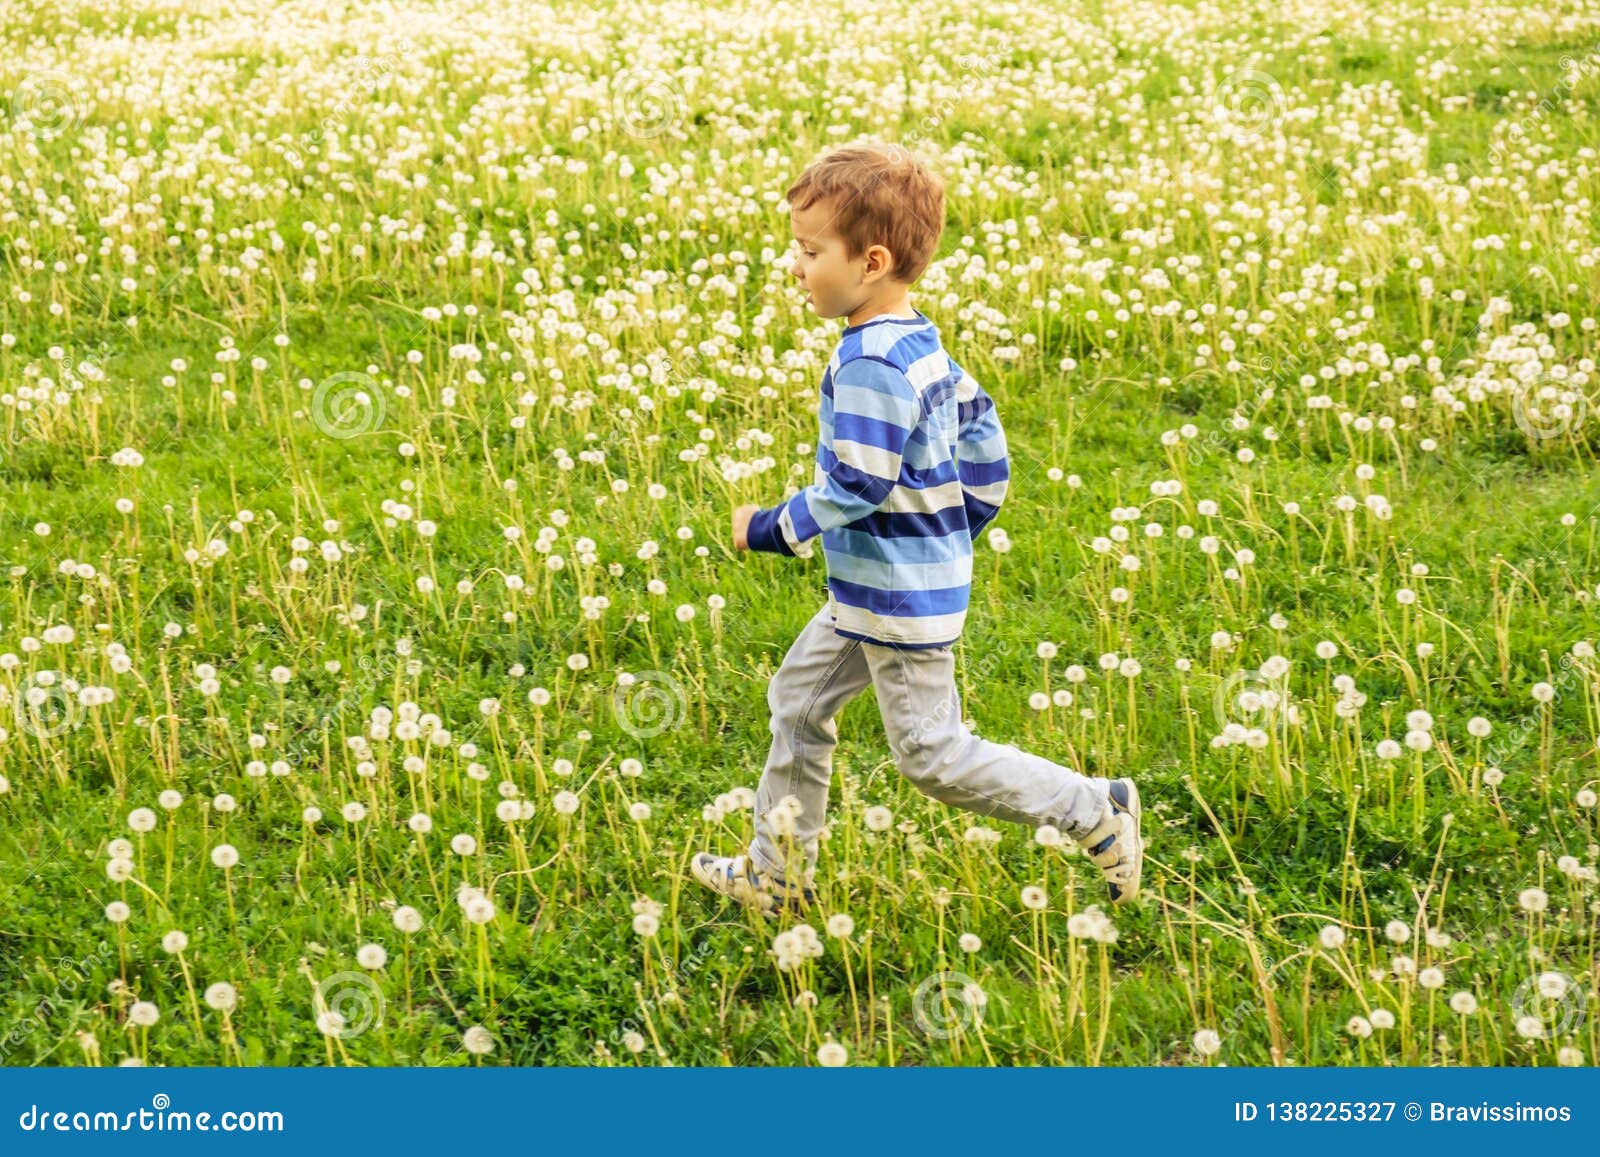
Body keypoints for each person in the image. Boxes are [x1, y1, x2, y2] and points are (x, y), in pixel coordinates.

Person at [690, 143, 1142, 919]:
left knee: (932, 754)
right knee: (798, 704)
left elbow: (857, 484)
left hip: (896, 598)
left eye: (808, 251)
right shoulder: (916, 341)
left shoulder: (870, 363)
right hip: (881, 584)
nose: (794, 267)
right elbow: (985, 439)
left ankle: (1095, 809)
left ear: (869, 261)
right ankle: (778, 873)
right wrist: (954, 529)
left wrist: (769, 527)